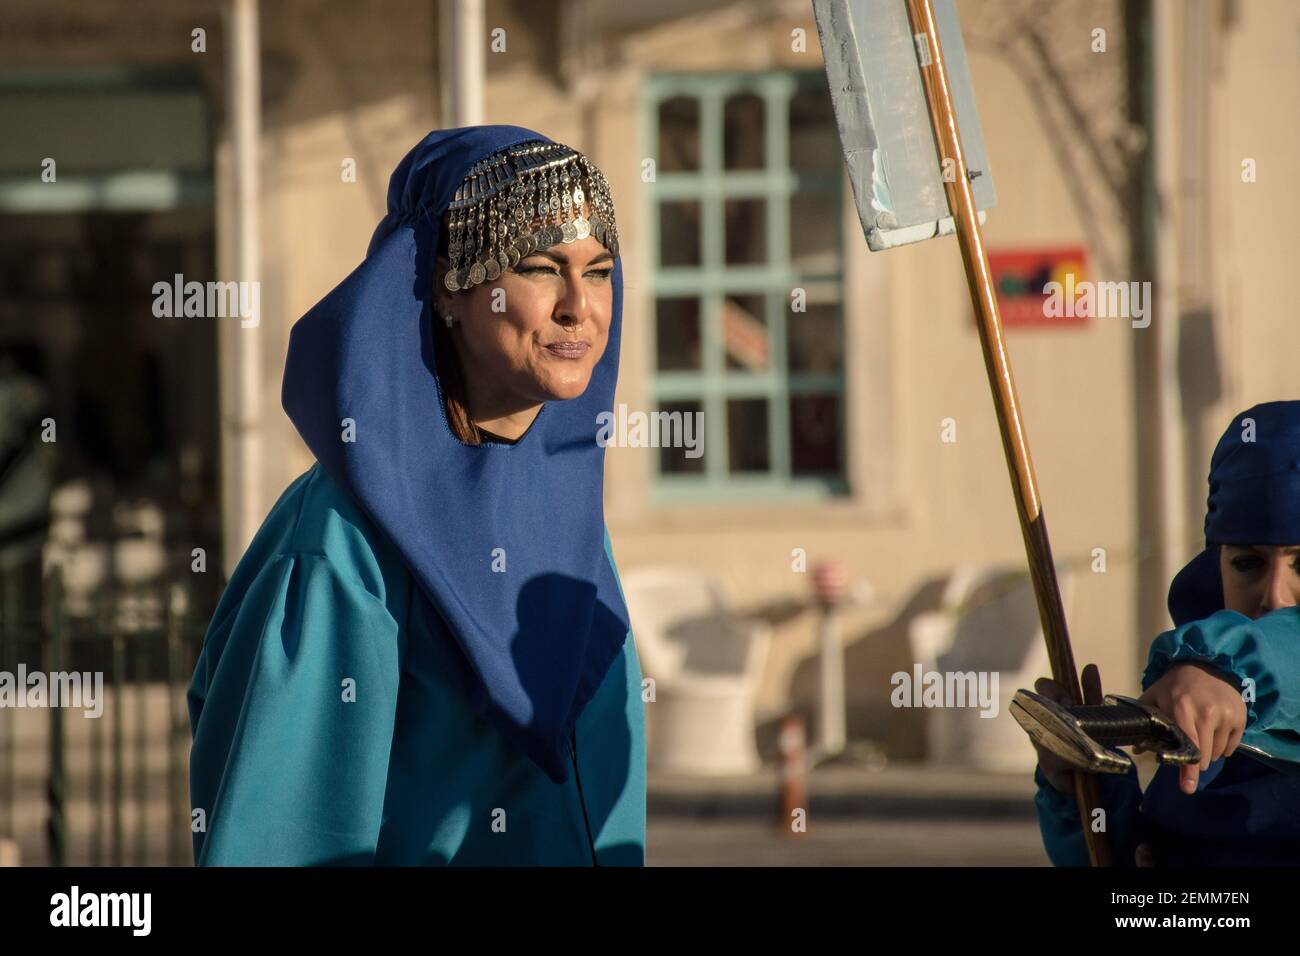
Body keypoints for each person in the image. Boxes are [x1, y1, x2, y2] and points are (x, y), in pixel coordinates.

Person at [187, 126, 645, 865]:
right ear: (447, 289)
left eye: (598, 270)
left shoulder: (569, 522)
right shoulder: (339, 548)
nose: (578, 307)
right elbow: (284, 845)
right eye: (538, 266)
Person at [1032, 400, 1300, 866]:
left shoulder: (1217, 669)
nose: (1274, 596)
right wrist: (1084, 792)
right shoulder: (1202, 706)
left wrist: (1227, 666)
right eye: (1247, 563)